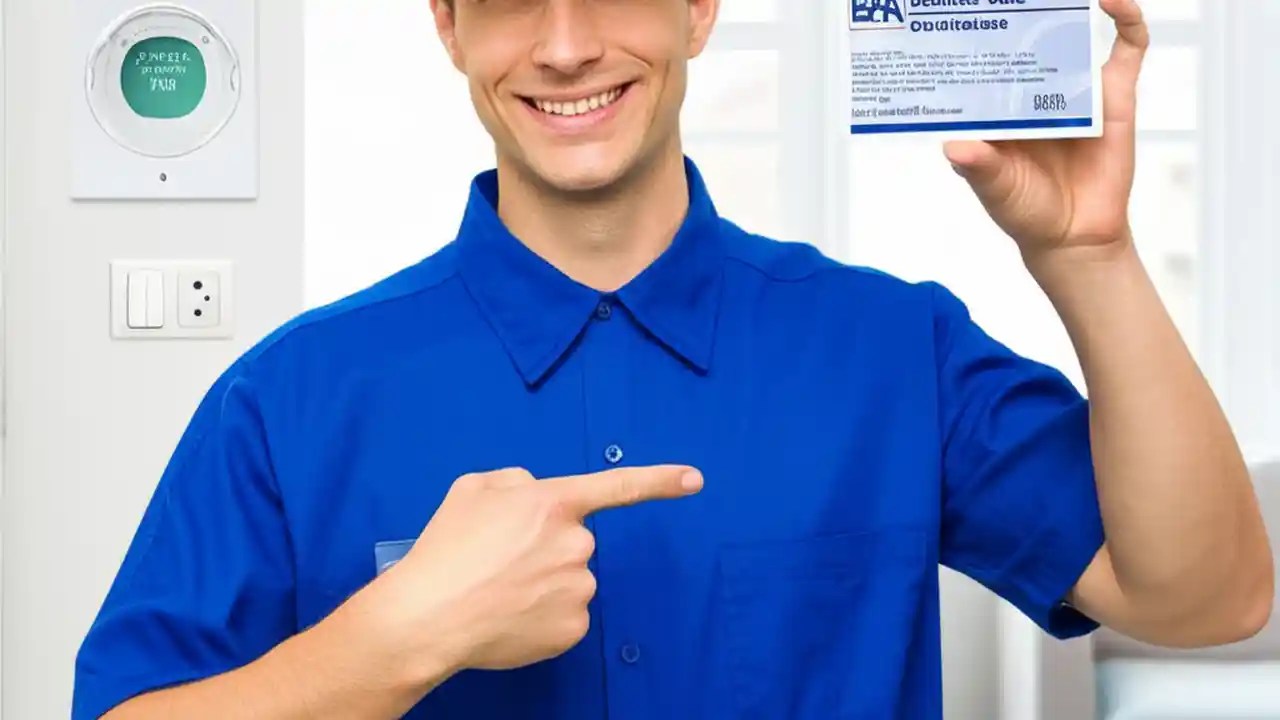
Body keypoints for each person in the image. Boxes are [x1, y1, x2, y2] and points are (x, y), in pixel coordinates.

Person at [74, 0, 1274, 718]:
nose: (563, 45)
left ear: (697, 8)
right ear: (447, 24)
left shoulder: (890, 349)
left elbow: (1209, 600)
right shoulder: (290, 397)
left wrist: (1091, 256)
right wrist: (400, 638)